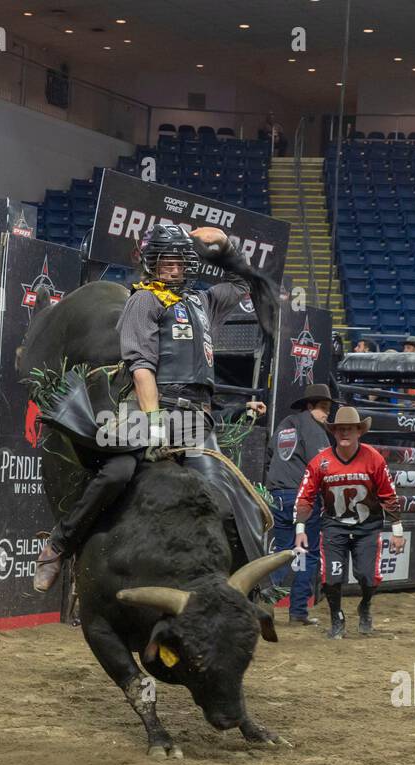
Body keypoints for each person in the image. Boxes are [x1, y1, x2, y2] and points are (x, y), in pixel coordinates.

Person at [33, 223, 269, 591]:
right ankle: (58, 545)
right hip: (149, 410)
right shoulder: (143, 301)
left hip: (196, 420)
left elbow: (242, 284)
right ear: (152, 265)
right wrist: (155, 425)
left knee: (230, 501)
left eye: (179, 263)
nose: (173, 270)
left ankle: (248, 590)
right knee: (118, 473)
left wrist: (225, 243)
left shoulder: (203, 302)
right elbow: (142, 369)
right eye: (164, 263)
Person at [293, 406, 403, 639]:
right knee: (331, 578)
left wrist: (397, 530)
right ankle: (337, 616)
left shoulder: (373, 458)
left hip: (367, 527)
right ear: (334, 433)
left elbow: (388, 494)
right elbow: (305, 495)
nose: (344, 433)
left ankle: (365, 605)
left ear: (359, 432)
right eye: (340, 429)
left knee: (367, 576)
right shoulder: (320, 462)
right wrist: (300, 528)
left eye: (349, 429)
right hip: (334, 527)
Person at [264, 383, 332, 626]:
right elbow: (321, 464)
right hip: (302, 498)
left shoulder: (285, 426)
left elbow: (270, 456)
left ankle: (262, 603)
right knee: (308, 553)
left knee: (282, 554)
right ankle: (298, 611)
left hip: (277, 496)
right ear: (310, 406)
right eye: (323, 408)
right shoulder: (313, 428)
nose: (327, 414)